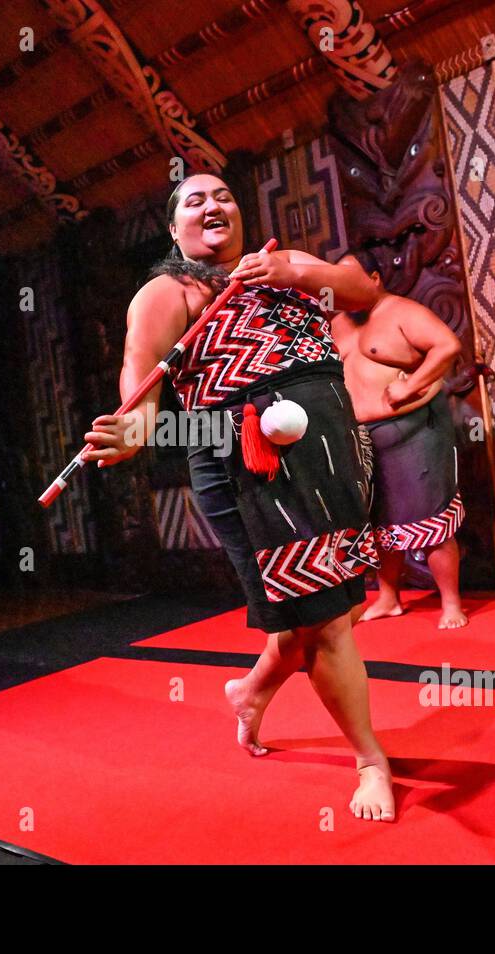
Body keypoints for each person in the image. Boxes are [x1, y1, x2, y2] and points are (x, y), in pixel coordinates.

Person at [85, 173, 397, 821]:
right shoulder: (166, 293)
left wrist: (291, 272)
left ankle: (250, 693)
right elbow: (141, 394)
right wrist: (131, 437)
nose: (211, 205)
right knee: (323, 621)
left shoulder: (286, 264)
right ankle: (371, 759)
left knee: (315, 613)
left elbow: (365, 290)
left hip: (331, 454)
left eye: (221, 195)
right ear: (175, 230)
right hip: (248, 466)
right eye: (192, 201)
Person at [331, 249, 467, 628]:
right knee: (379, 522)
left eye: (352, 279)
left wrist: (413, 386)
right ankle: (389, 597)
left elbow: (447, 346)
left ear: (375, 278)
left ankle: (451, 603)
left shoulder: (402, 312)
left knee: (430, 520)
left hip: (414, 430)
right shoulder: (336, 323)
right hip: (362, 435)